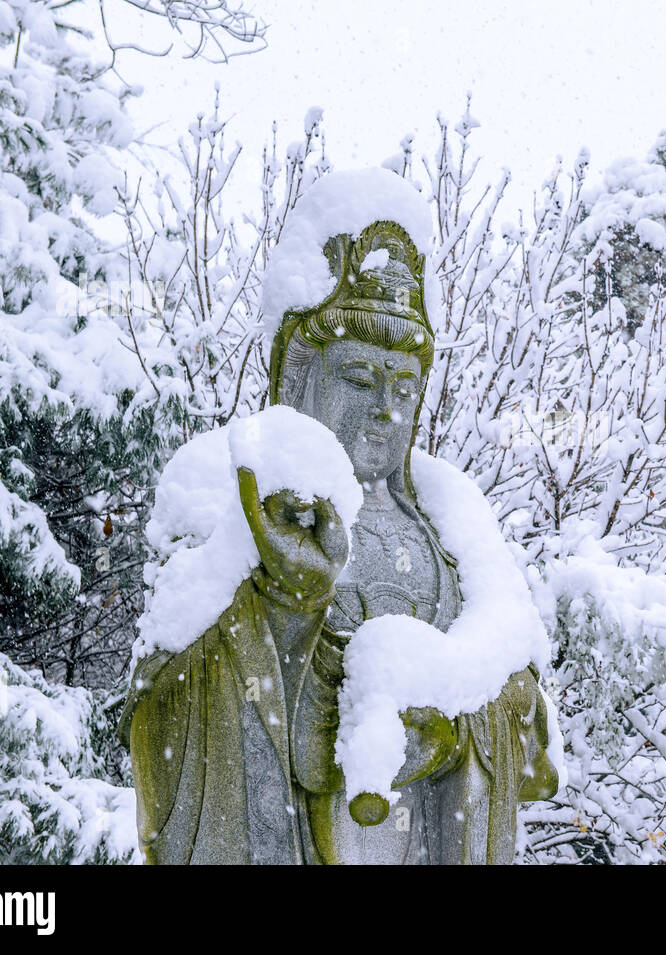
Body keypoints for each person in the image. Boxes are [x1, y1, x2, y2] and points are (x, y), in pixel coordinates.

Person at [122, 216, 558, 864]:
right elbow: (161, 690)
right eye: (358, 378)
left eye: (404, 387)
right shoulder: (229, 491)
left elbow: (521, 698)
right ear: (300, 375)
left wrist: (447, 727)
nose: (386, 407)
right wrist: (283, 606)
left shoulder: (450, 516)